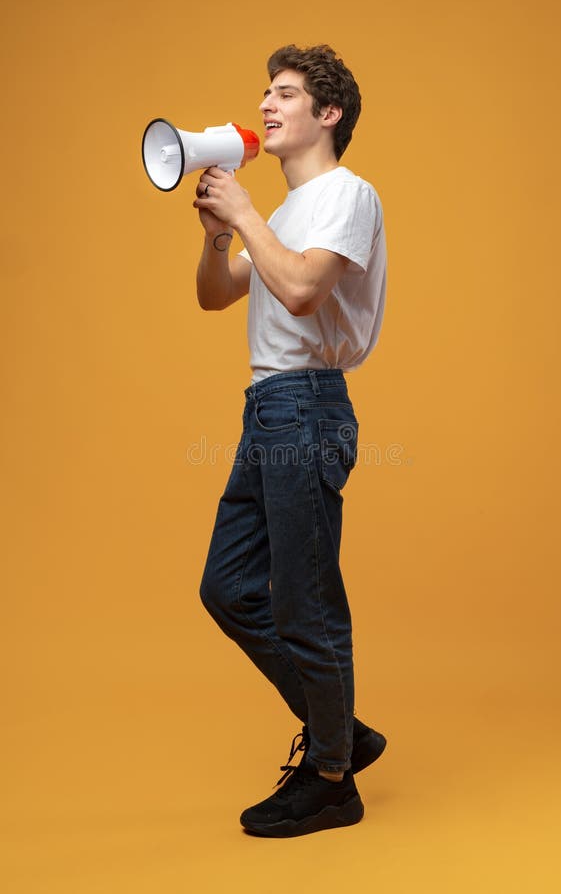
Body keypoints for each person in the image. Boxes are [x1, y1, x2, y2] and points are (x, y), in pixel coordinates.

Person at [194, 44, 387, 838]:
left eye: (286, 94)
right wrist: (217, 233)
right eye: (265, 93)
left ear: (328, 113)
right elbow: (214, 296)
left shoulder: (348, 194)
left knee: (305, 599)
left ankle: (334, 778)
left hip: (306, 406)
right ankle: (346, 730)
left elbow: (305, 292)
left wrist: (242, 215)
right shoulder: (275, 215)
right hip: (268, 407)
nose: (267, 106)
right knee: (230, 587)